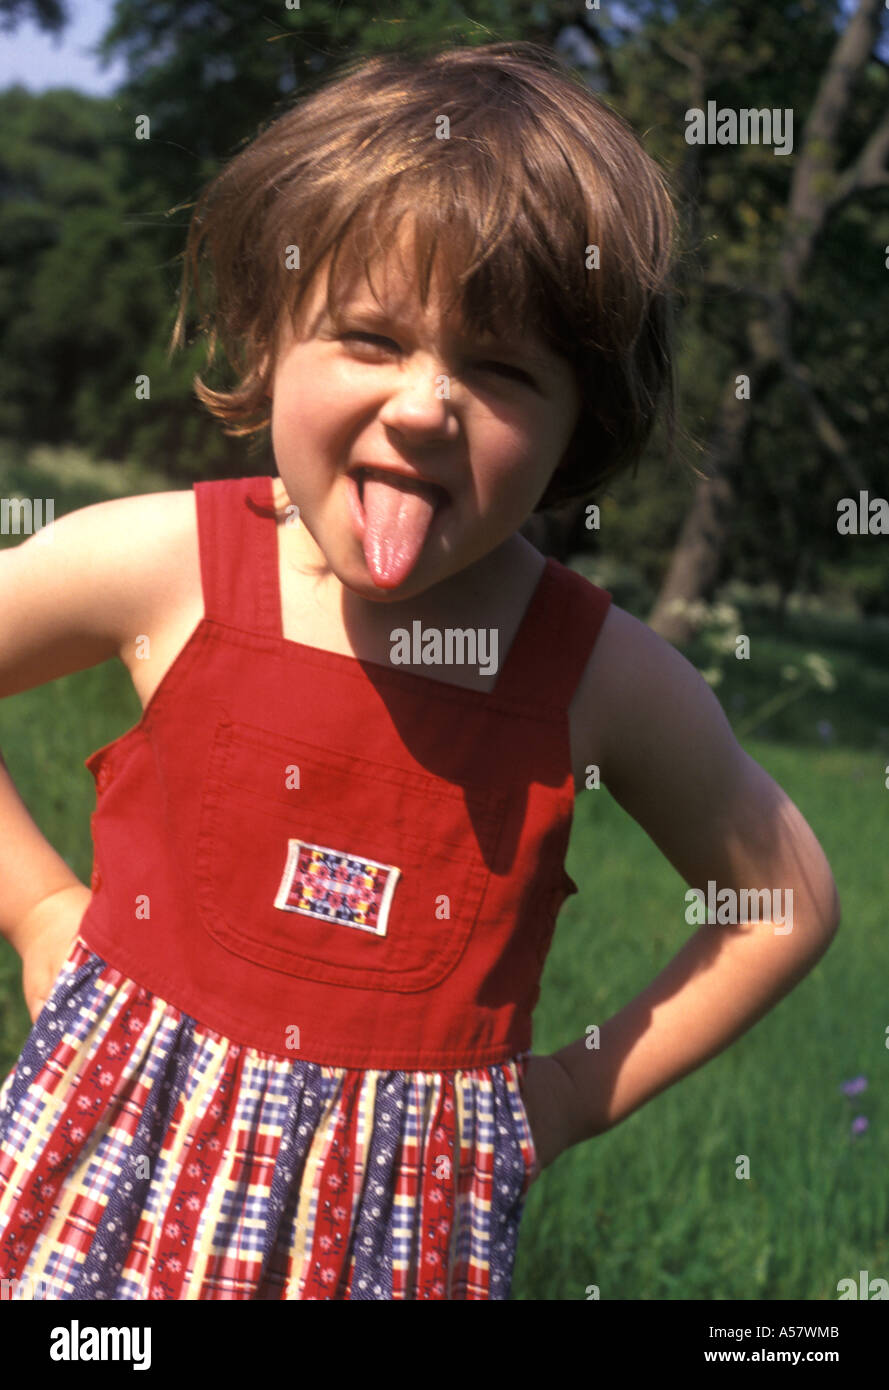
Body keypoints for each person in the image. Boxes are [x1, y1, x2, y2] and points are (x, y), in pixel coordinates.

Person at [0, 41, 839, 1302]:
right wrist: (37, 908)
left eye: (501, 370)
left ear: (576, 428)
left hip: (395, 1242)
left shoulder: (597, 676)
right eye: (370, 335)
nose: (425, 404)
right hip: (105, 1178)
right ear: (270, 334)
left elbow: (781, 897)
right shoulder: (166, 567)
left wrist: (563, 1091)